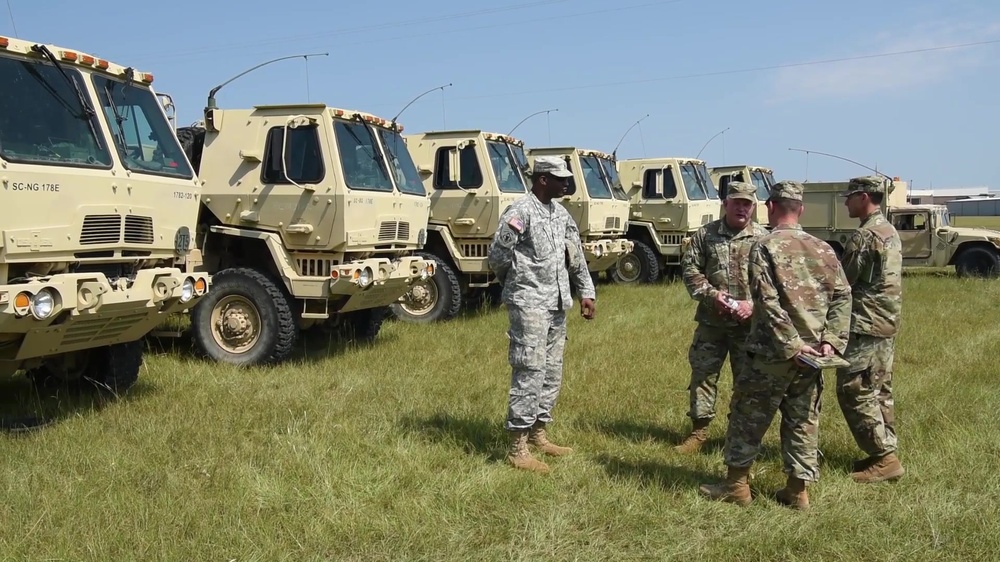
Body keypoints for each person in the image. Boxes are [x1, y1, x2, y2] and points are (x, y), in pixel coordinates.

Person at [698, 180, 852, 510]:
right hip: (814, 357)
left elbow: (766, 302)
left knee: (747, 419)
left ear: (770, 206)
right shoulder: (824, 248)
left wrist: (791, 345)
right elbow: (843, 297)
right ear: (801, 209)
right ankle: (798, 492)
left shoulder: (764, 247)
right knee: (802, 422)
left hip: (771, 355)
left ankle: (736, 486)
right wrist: (831, 343)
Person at [487, 155, 597, 474]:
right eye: (560, 178)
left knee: (551, 371)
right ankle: (517, 447)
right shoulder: (520, 211)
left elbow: (576, 257)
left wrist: (586, 291)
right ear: (542, 179)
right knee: (530, 369)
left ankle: (538, 434)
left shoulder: (561, 215)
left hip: (557, 303)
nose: (567, 183)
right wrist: (518, 283)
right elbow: (498, 256)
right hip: (529, 304)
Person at [676, 181, 769, 453]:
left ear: (753, 208)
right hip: (711, 323)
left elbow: (772, 282)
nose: (741, 208)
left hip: (748, 326)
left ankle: (740, 436)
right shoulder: (706, 234)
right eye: (736, 202)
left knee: (747, 382)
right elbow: (690, 270)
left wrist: (752, 305)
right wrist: (711, 295)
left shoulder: (763, 238)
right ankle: (699, 433)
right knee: (703, 376)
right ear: (726, 204)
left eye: (747, 204)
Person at [836, 176, 905, 483]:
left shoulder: (864, 236)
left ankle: (884, 457)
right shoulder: (889, 230)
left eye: (849, 197)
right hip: (886, 322)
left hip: (864, 324)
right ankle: (884, 451)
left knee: (854, 389)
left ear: (864, 197)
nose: (845, 202)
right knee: (879, 390)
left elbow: (844, 281)